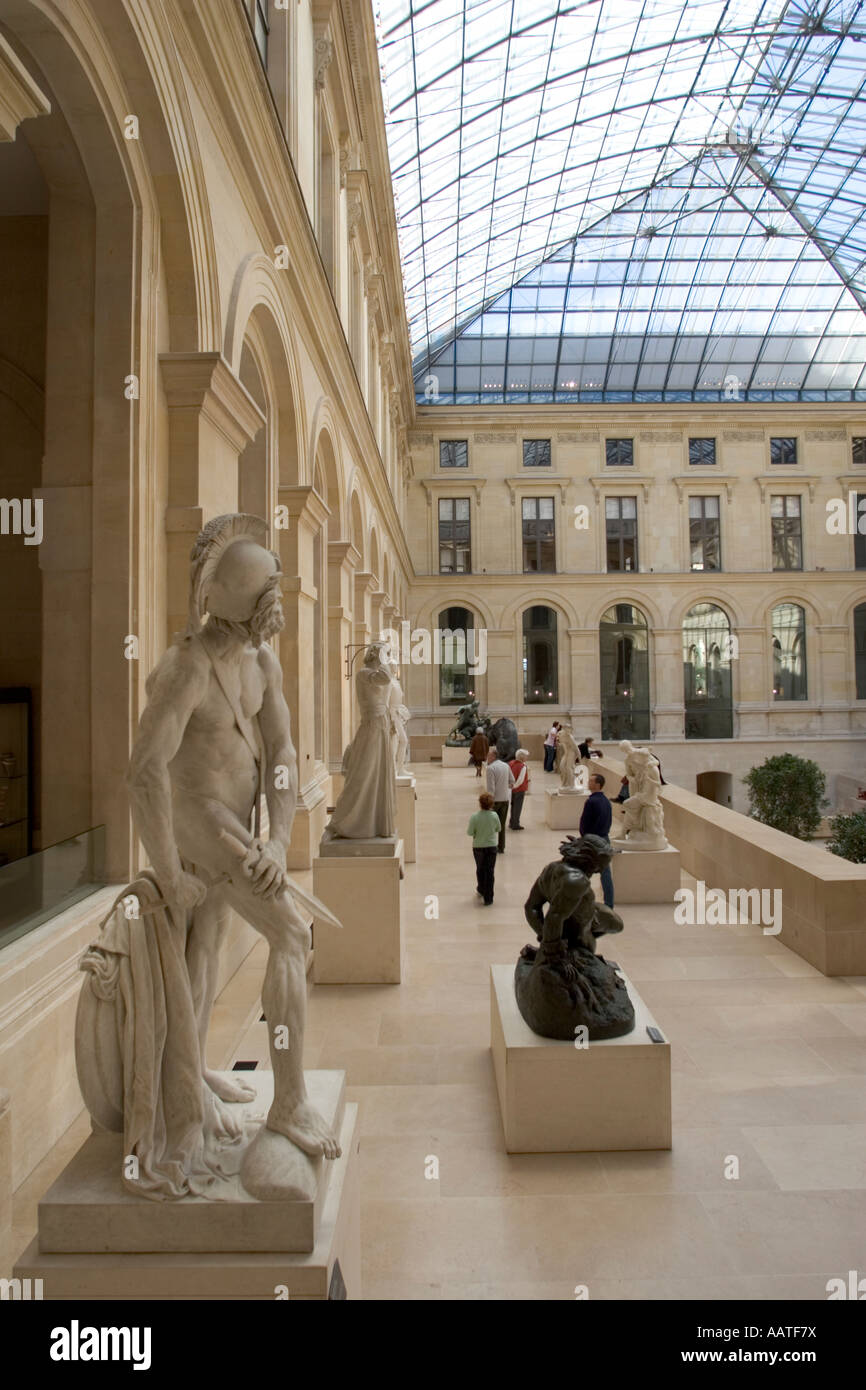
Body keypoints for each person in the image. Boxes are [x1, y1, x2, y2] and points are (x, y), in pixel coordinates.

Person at [579, 772, 615, 909]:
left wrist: (585, 838)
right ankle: (609, 903)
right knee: (605, 873)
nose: (589, 782)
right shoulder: (605, 801)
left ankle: (579, 899)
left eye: (591, 781)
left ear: (598, 784)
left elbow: (585, 823)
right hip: (604, 838)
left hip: (592, 840)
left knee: (582, 870)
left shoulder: (591, 801)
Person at [466, 791, 501, 905]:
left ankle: (481, 888)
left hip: (478, 847)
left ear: (480, 804)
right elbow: (498, 829)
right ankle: (489, 897)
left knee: (480, 868)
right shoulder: (494, 816)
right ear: (491, 804)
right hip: (491, 846)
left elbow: (470, 832)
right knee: (490, 871)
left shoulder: (475, 817)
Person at [485, 744, 514, 853]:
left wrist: (488, 803)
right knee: (501, 825)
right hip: (505, 800)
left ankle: (490, 846)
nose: (487, 758)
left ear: (493, 756)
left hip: (495, 801)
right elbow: (512, 781)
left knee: (490, 825)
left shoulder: (490, 768)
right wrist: (505, 788)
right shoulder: (506, 766)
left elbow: (491, 788)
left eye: (488, 756)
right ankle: (501, 847)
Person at [509, 748, 530, 828]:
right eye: (526, 756)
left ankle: (511, 822)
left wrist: (511, 787)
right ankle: (515, 824)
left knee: (513, 806)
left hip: (511, 789)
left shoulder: (511, 763)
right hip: (519, 789)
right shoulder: (523, 766)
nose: (527, 758)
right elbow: (520, 780)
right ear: (522, 757)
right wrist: (515, 786)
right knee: (518, 807)